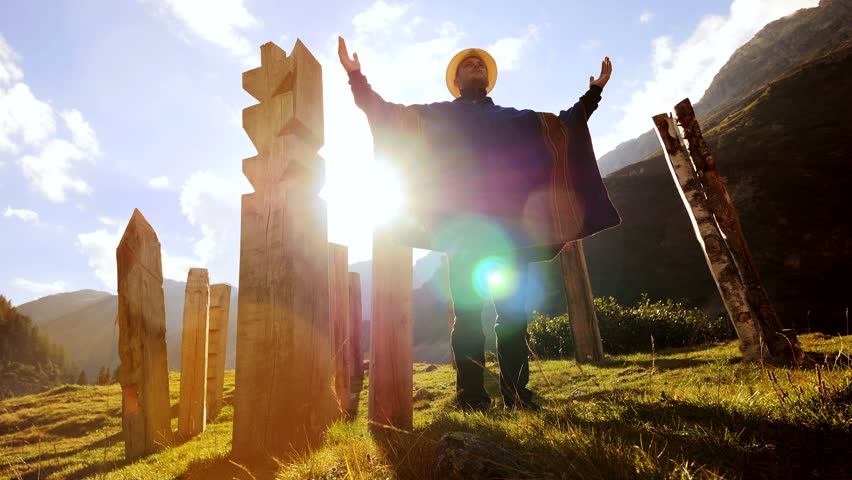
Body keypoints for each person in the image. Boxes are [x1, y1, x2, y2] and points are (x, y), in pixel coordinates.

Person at [339, 36, 619, 411]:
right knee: (469, 319)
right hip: (464, 233)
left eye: (480, 65)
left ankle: (518, 396)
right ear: (456, 79)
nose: (475, 68)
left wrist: (594, 93)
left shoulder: (512, 118)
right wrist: (356, 77)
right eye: (468, 65)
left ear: (488, 79)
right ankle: (471, 399)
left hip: (510, 236)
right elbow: (384, 114)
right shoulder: (435, 115)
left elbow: (562, 126)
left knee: (513, 317)